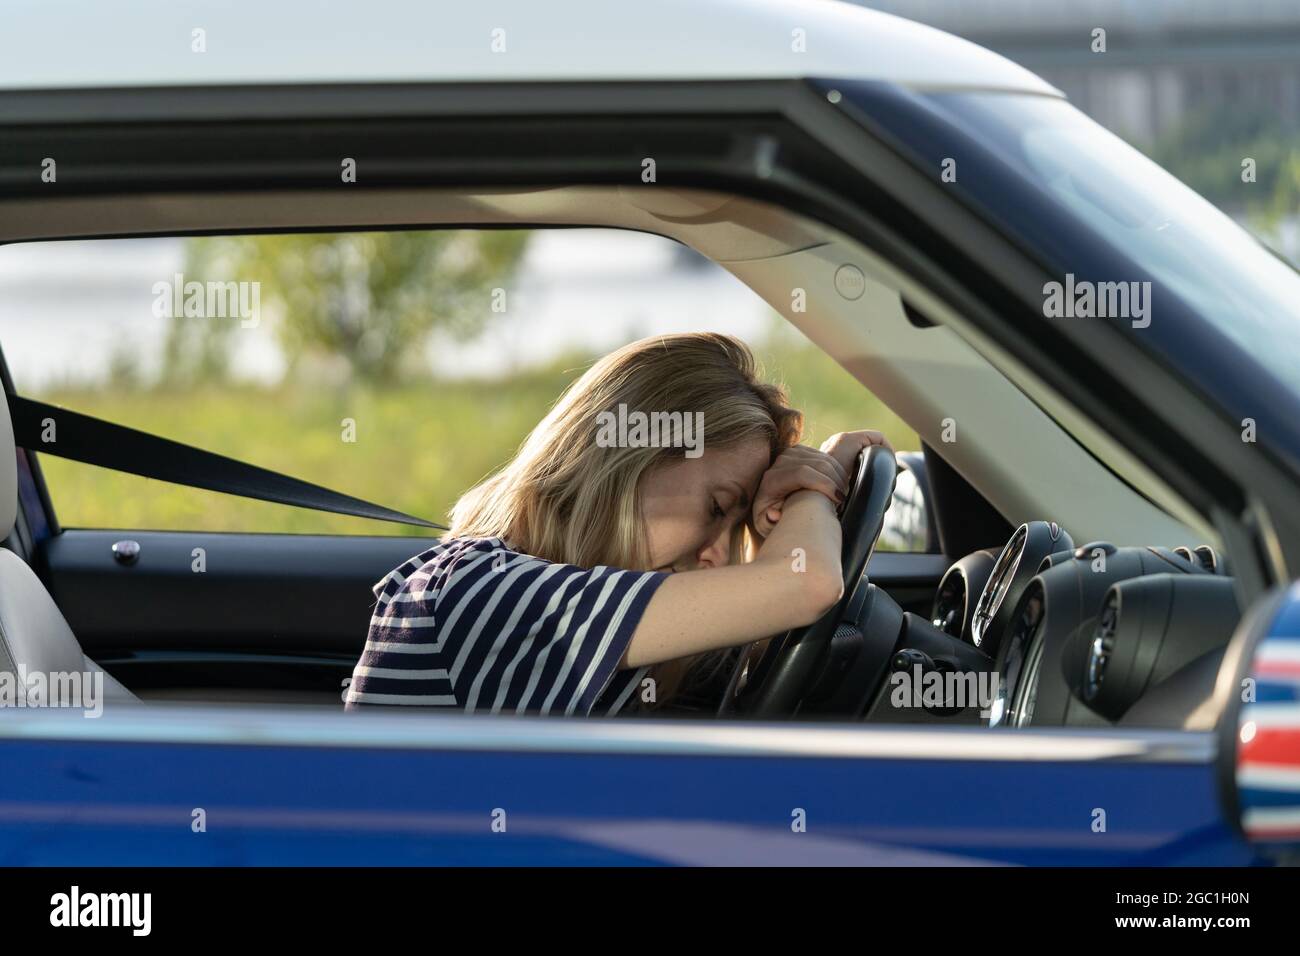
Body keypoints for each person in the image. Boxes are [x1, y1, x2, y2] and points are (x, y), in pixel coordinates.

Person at [344, 332, 889, 715]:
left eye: (737, 527)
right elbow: (808, 583)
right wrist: (813, 487)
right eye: (718, 508)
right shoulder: (486, 594)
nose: (718, 556)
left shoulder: (579, 602)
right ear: (626, 462)